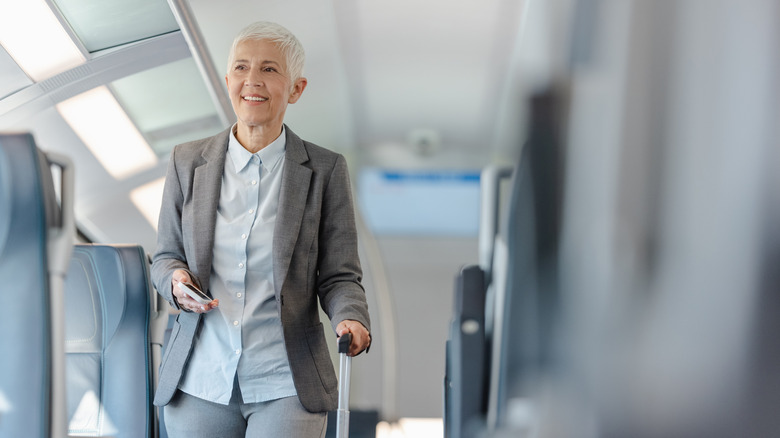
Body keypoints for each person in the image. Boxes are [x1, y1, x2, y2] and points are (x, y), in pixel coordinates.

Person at [151, 21, 371, 438]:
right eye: (241, 68)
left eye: (269, 69)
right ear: (228, 79)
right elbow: (164, 256)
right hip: (200, 378)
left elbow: (340, 274)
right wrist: (176, 281)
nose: (252, 80)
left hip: (286, 381)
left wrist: (351, 317)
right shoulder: (186, 162)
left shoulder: (325, 171)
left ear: (296, 89)